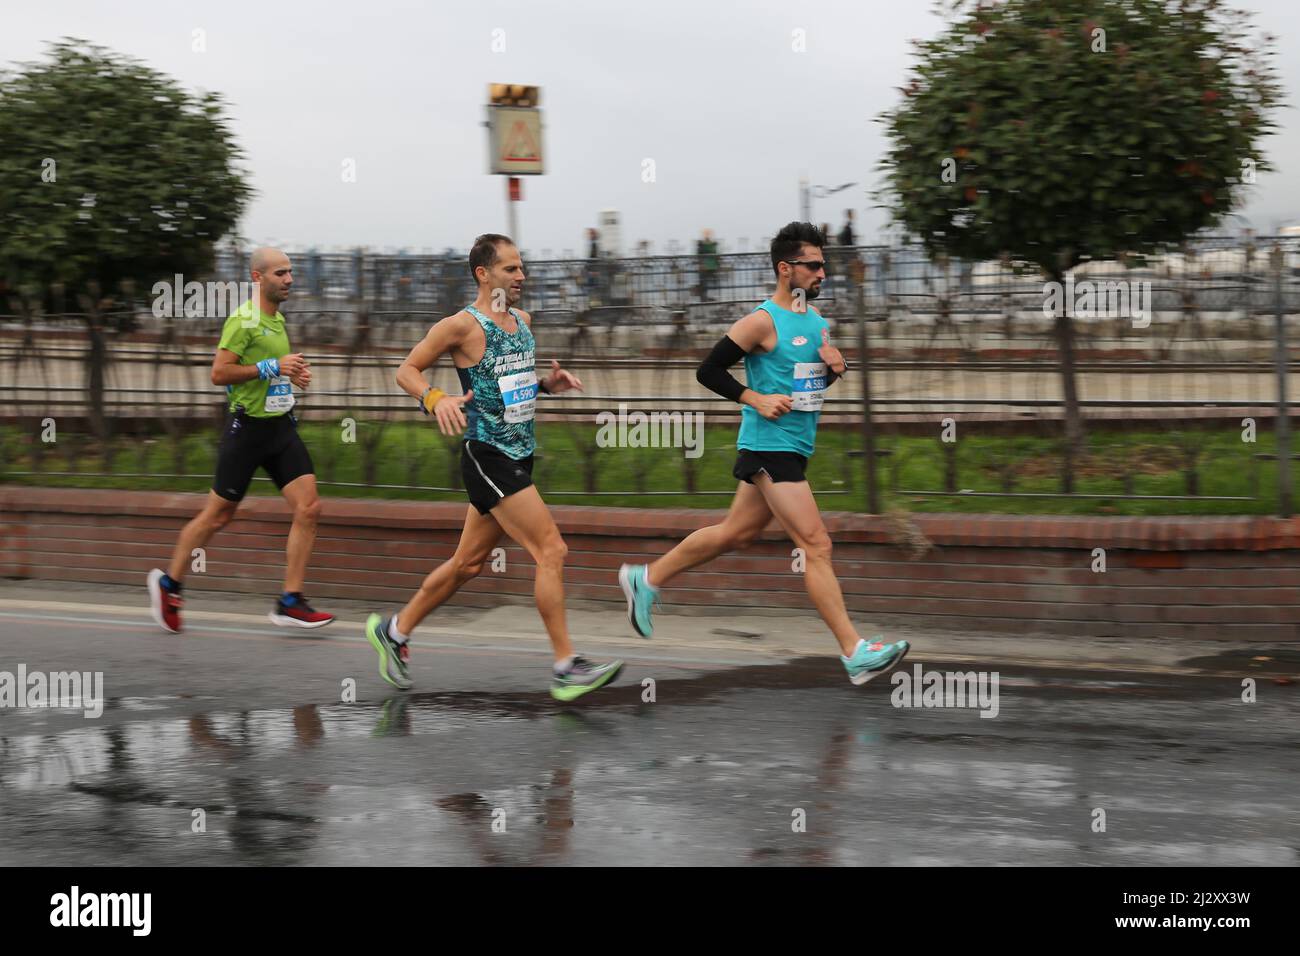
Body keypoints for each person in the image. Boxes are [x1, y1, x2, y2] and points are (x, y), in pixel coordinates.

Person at [618, 222, 909, 685]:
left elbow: (804, 390)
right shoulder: (761, 321)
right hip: (768, 446)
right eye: (813, 265)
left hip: (795, 444)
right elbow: (708, 371)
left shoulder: (816, 323)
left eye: (824, 266)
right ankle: (854, 651)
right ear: (785, 268)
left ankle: (645, 579)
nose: (822, 274)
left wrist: (837, 368)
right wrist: (754, 398)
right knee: (816, 545)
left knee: (735, 533)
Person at [364, 234, 623, 701]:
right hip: (487, 455)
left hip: (520, 454)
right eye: (510, 269)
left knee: (467, 564)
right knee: (552, 550)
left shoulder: (523, 321)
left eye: (522, 268)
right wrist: (435, 397)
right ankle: (566, 666)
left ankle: (395, 631)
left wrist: (546, 385)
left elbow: (510, 387)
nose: (521, 276)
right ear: (484, 274)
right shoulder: (459, 326)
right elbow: (406, 371)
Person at [146, 248, 334, 633]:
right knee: (218, 515)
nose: (289, 279)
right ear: (258, 278)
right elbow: (220, 373)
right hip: (248, 432)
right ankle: (170, 584)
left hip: (280, 428)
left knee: (309, 508)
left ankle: (290, 601)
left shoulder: (276, 320)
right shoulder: (243, 320)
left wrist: (289, 375)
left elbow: (269, 371)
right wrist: (271, 367)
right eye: (281, 273)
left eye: (291, 272)